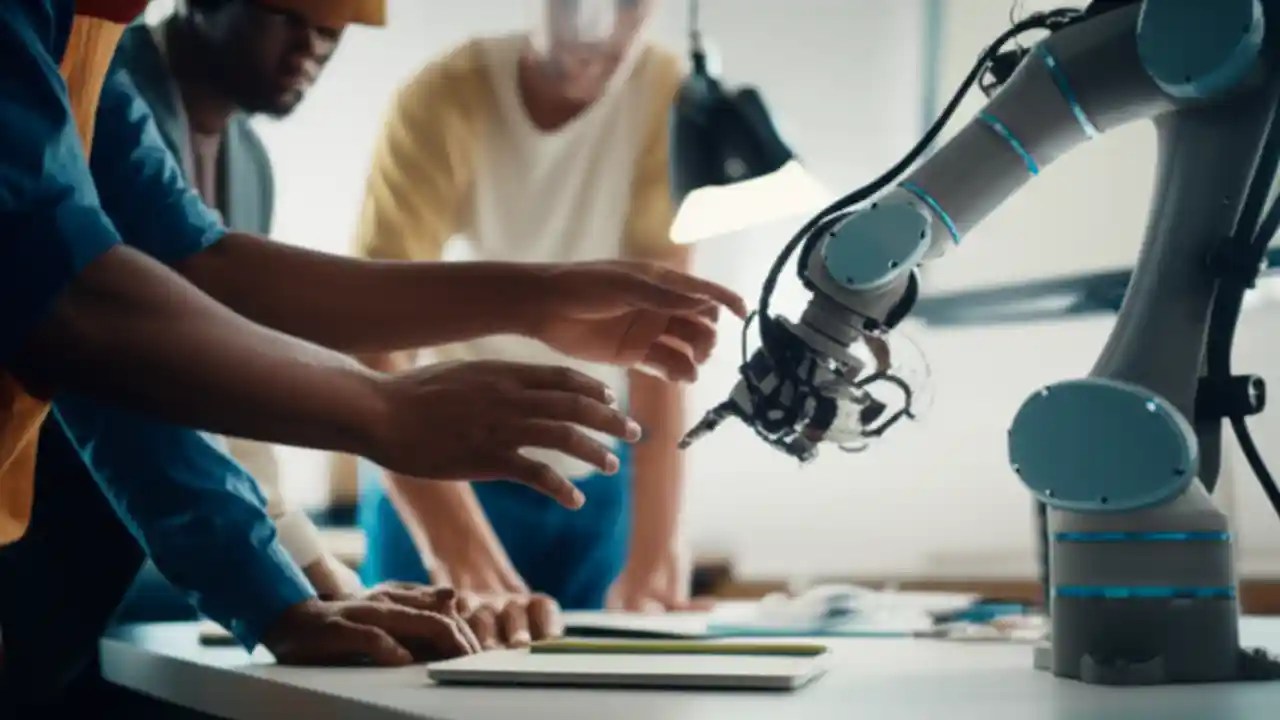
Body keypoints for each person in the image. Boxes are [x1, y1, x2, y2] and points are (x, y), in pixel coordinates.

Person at [0, 0, 745, 708]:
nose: (311, 48)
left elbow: (197, 268)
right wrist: (379, 407)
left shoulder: (89, 47)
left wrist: (536, 297)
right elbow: (81, 306)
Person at [355, 0, 710, 613]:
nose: (595, 26)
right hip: (443, 456)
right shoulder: (445, 95)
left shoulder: (668, 100)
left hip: (596, 467)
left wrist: (656, 553)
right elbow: (374, 333)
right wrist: (455, 547)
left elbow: (663, 352)